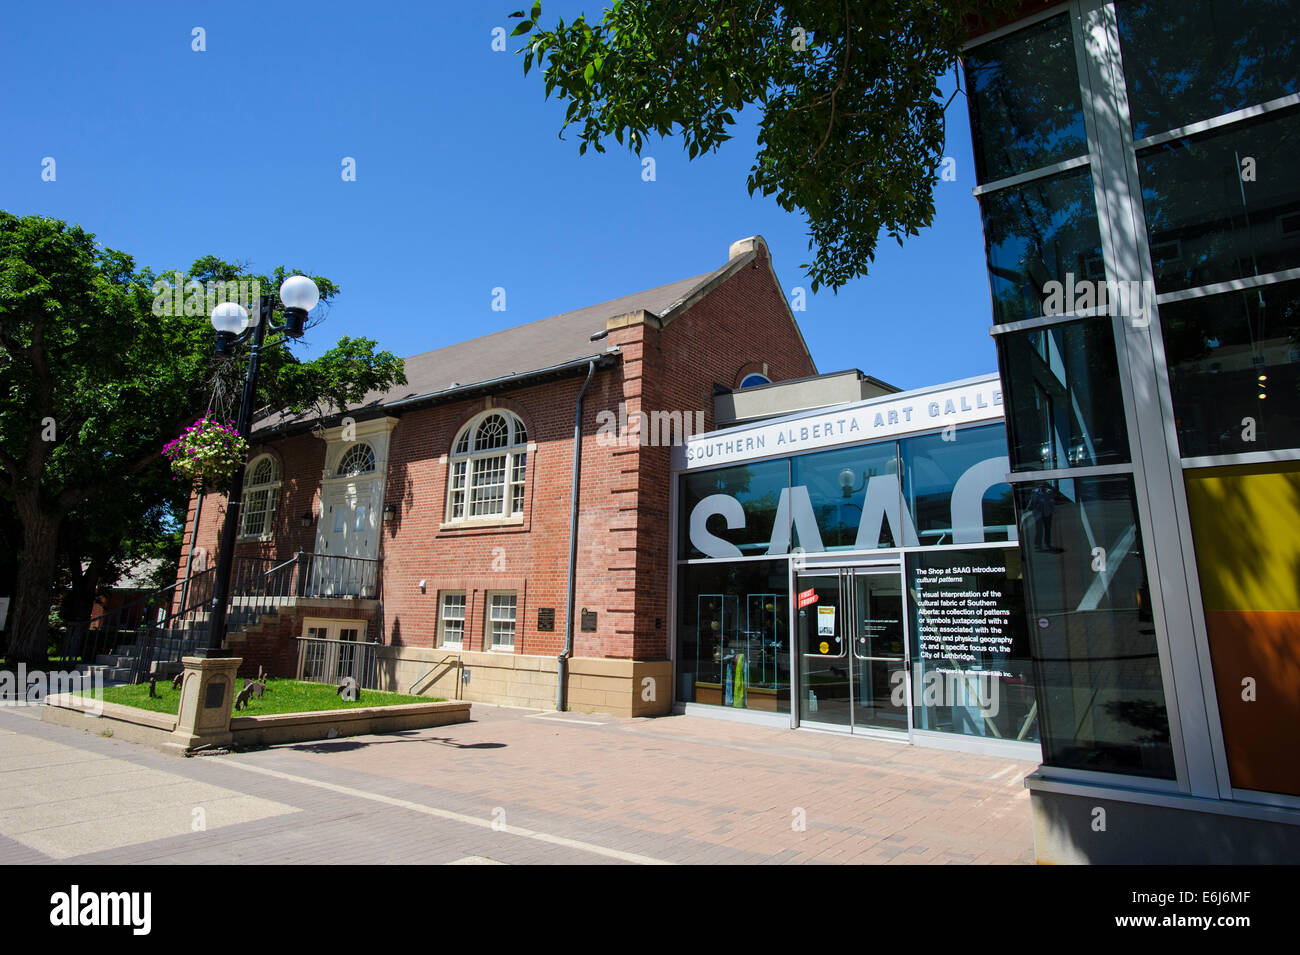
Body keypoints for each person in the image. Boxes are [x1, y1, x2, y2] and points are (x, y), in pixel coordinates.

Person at [1028, 483, 1056, 552]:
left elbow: (1052, 501)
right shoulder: (1035, 492)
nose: (1042, 487)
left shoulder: (1049, 492)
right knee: (1039, 529)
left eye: (1043, 486)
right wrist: (1030, 507)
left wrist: (1052, 511)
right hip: (1038, 513)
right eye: (1040, 486)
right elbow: (1031, 500)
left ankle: (1047, 543)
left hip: (1047, 513)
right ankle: (1038, 544)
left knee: (1047, 529)